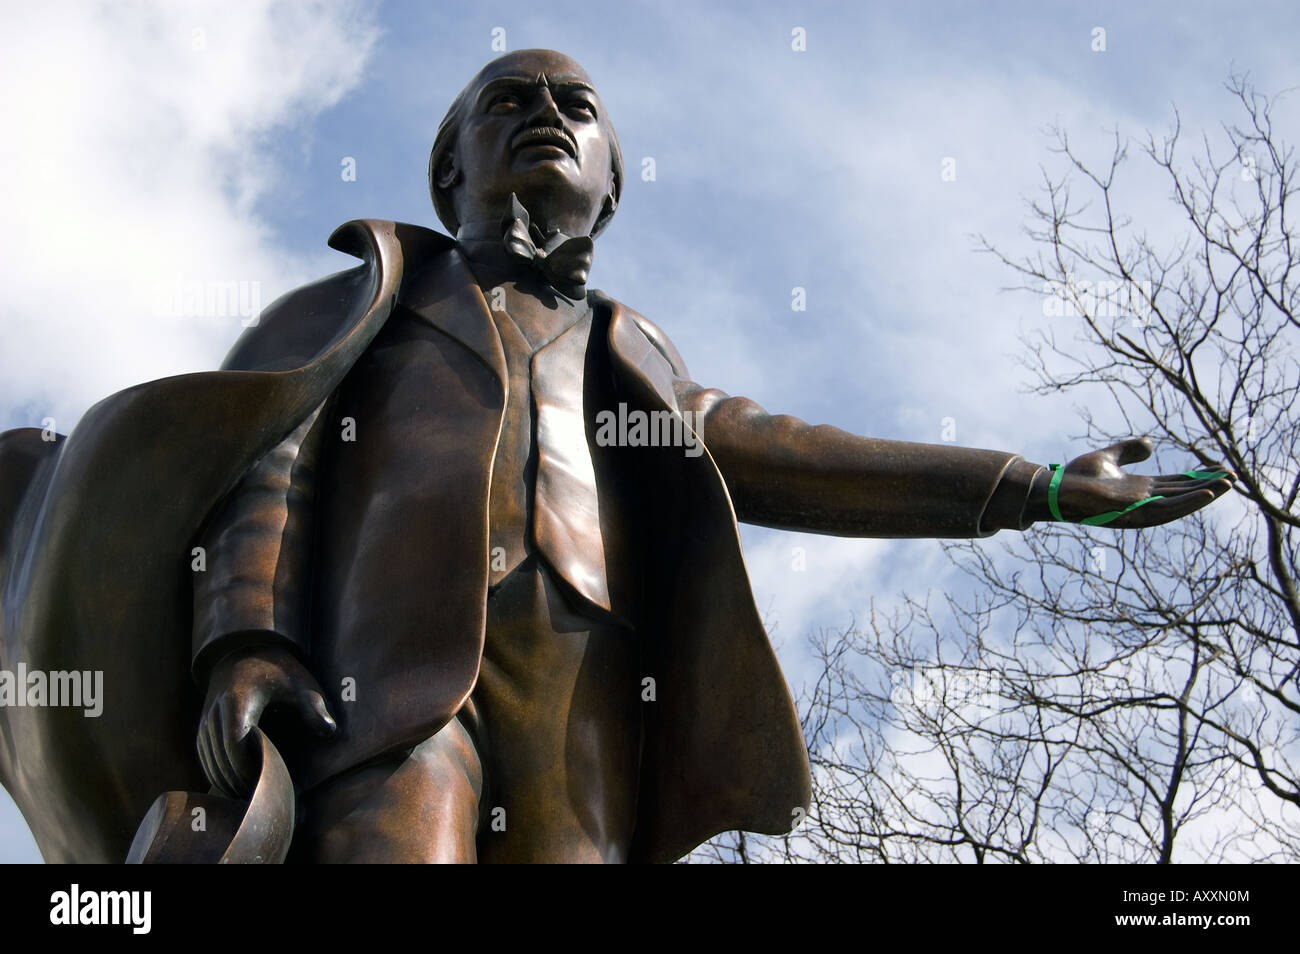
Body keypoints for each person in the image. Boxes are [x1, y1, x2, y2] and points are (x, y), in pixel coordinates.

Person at [0, 49, 1234, 864]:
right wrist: (246, 640)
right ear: (449, 172)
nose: (546, 114)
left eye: (575, 109)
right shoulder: (371, 301)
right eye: (510, 102)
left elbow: (799, 455)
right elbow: (265, 464)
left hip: (590, 694)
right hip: (384, 685)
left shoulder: (628, 353)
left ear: (610, 184)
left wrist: (1038, 487)